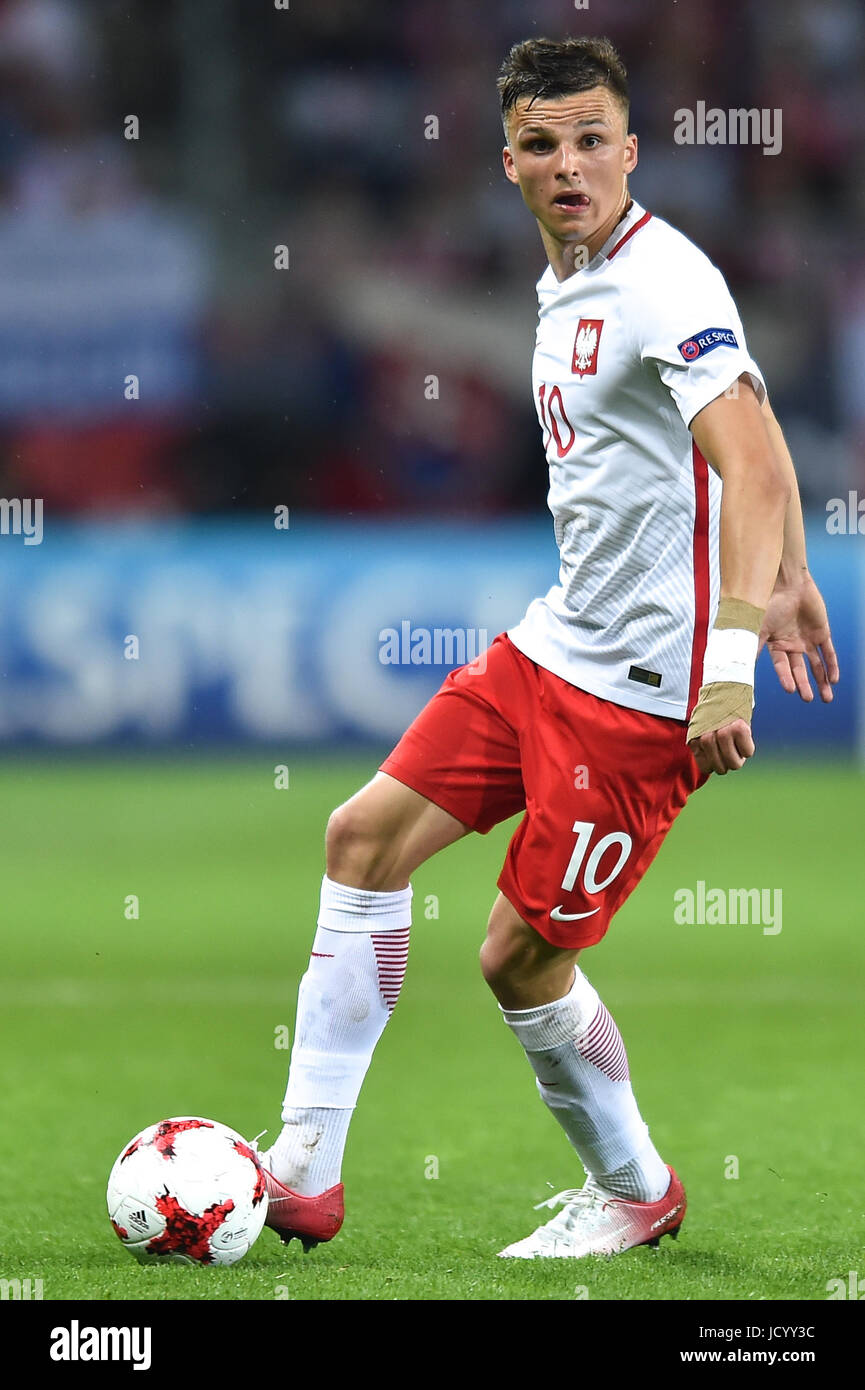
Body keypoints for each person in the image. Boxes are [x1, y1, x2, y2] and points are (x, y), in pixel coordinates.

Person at [258, 35, 839, 1259]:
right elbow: (757, 429)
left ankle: (636, 1188)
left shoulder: (659, 281)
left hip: (646, 694)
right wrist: (785, 574)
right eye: (542, 144)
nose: (568, 165)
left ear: (630, 152)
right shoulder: (570, 281)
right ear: (507, 163)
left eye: (591, 141)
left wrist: (734, 655)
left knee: (519, 960)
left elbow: (753, 456)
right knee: (361, 838)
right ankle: (300, 1172)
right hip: (556, 643)